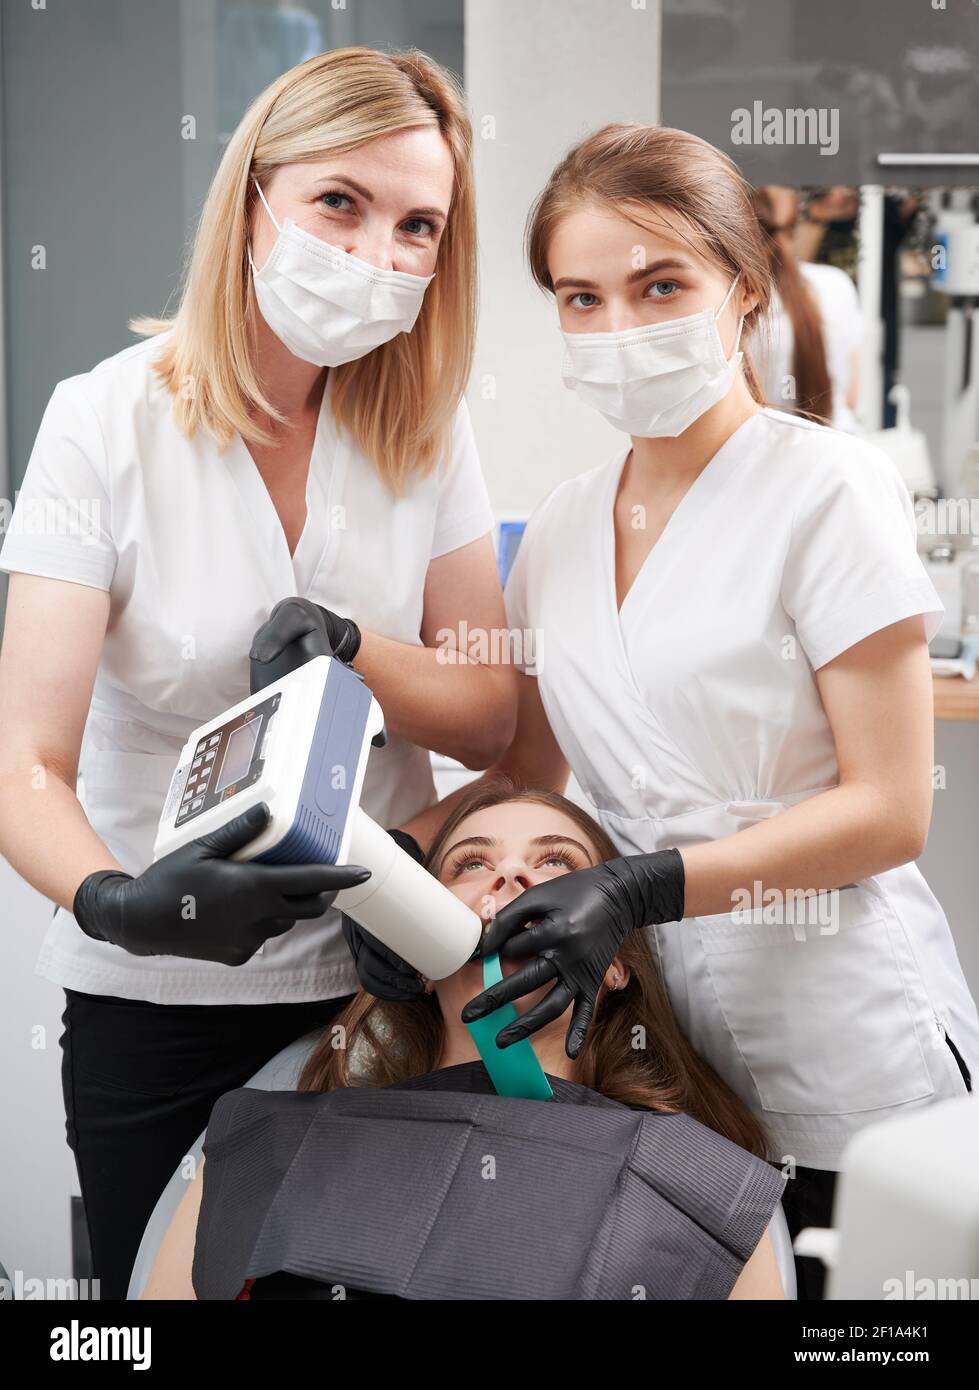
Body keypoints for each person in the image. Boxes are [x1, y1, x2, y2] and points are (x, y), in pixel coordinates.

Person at [349, 123, 979, 1301]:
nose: (620, 327)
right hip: (668, 1057)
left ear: (741, 287)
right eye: (581, 298)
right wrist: (397, 879)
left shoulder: (827, 491)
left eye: (659, 286)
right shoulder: (566, 523)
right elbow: (532, 779)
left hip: (845, 1033)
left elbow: (890, 810)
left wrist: (638, 886)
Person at [0, 46, 515, 1299]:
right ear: (253, 200)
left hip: (373, 978)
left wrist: (353, 646)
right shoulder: (104, 422)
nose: (375, 253)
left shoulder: (422, 436)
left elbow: (493, 708)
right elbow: (26, 761)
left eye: (416, 226)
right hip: (151, 999)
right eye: (339, 202)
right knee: (153, 1298)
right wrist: (124, 901)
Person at [142, 780, 787, 1301]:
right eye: (470, 863)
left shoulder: (708, 1188)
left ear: (614, 961)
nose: (508, 874)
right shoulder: (262, 1146)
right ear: (415, 953)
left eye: (556, 861)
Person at [751, 185, 862, 432]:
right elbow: (851, 396)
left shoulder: (740, 299)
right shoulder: (837, 284)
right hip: (839, 442)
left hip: (767, 449)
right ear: (797, 224)